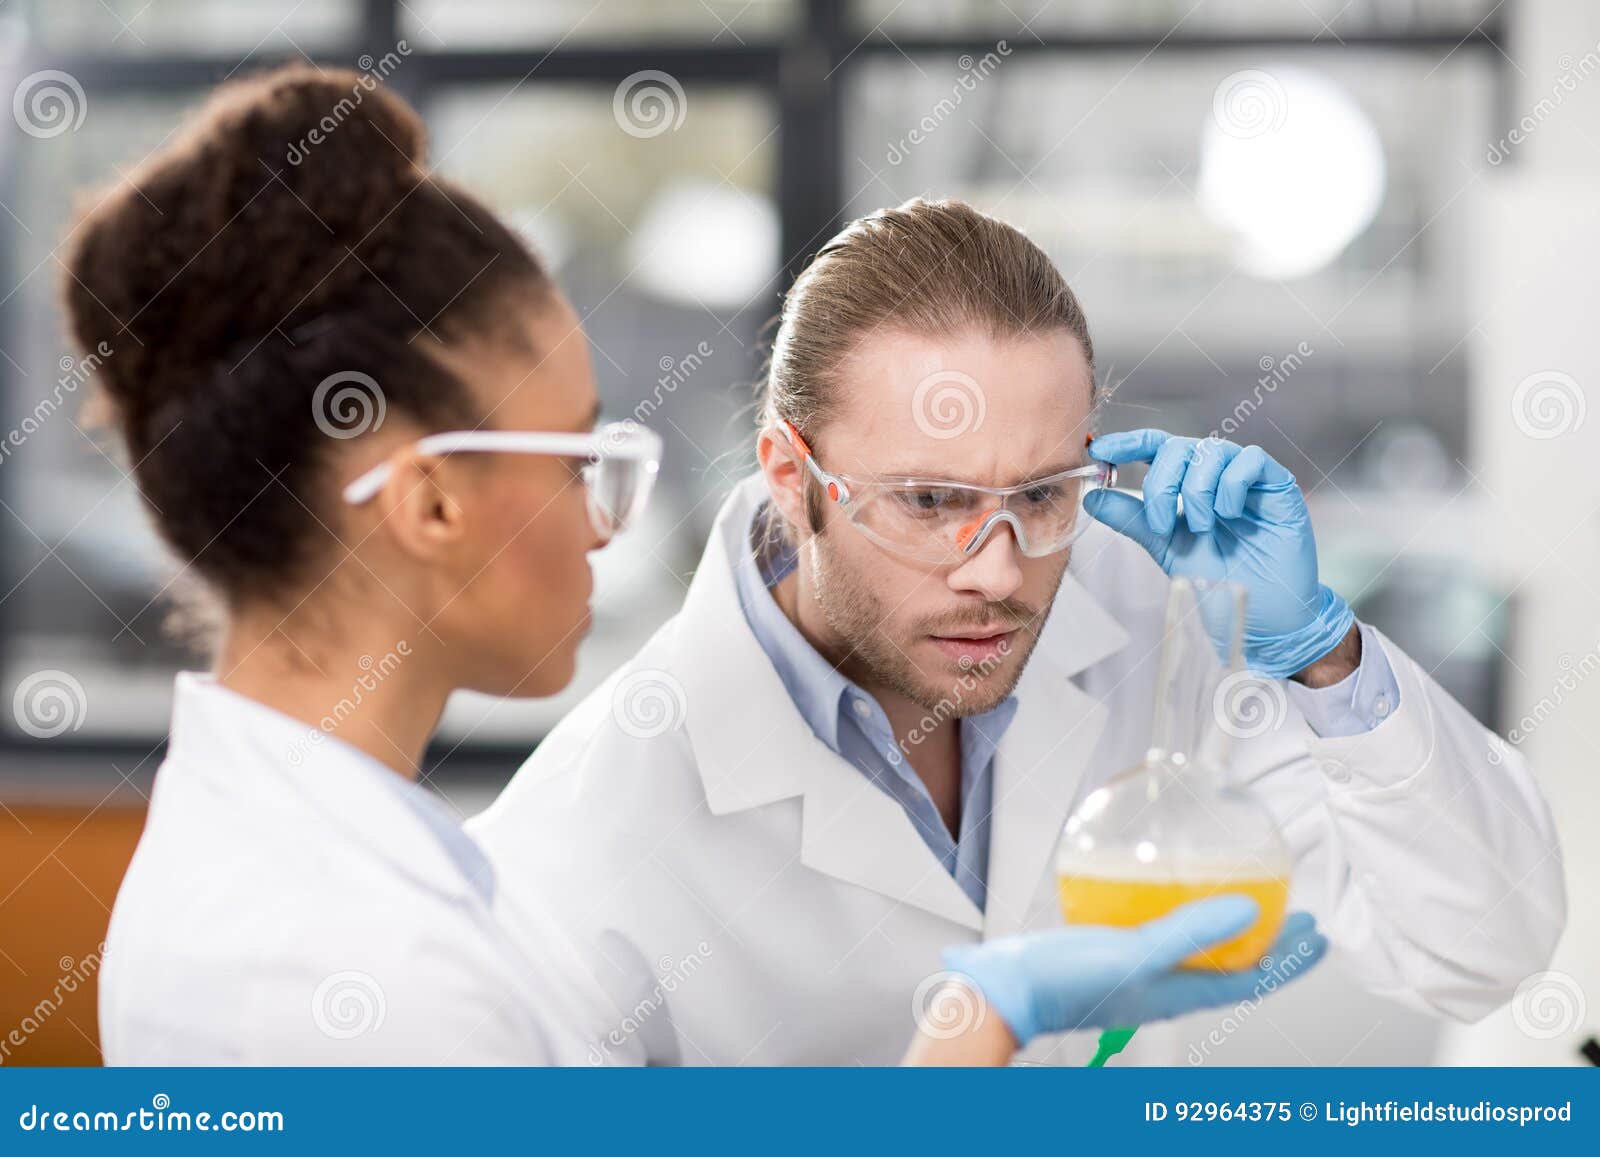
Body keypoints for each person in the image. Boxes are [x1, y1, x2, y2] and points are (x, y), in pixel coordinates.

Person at [72, 67, 1323, 1066]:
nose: (602, 526)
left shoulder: (332, 864)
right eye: (576, 458)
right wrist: (978, 1024)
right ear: (432, 499)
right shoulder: (343, 980)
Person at [470, 198, 1567, 1065]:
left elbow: (1481, 948)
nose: (998, 570)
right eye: (929, 502)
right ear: (791, 477)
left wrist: (1320, 654)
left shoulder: (1142, 615)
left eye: (1042, 493)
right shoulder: (587, 830)